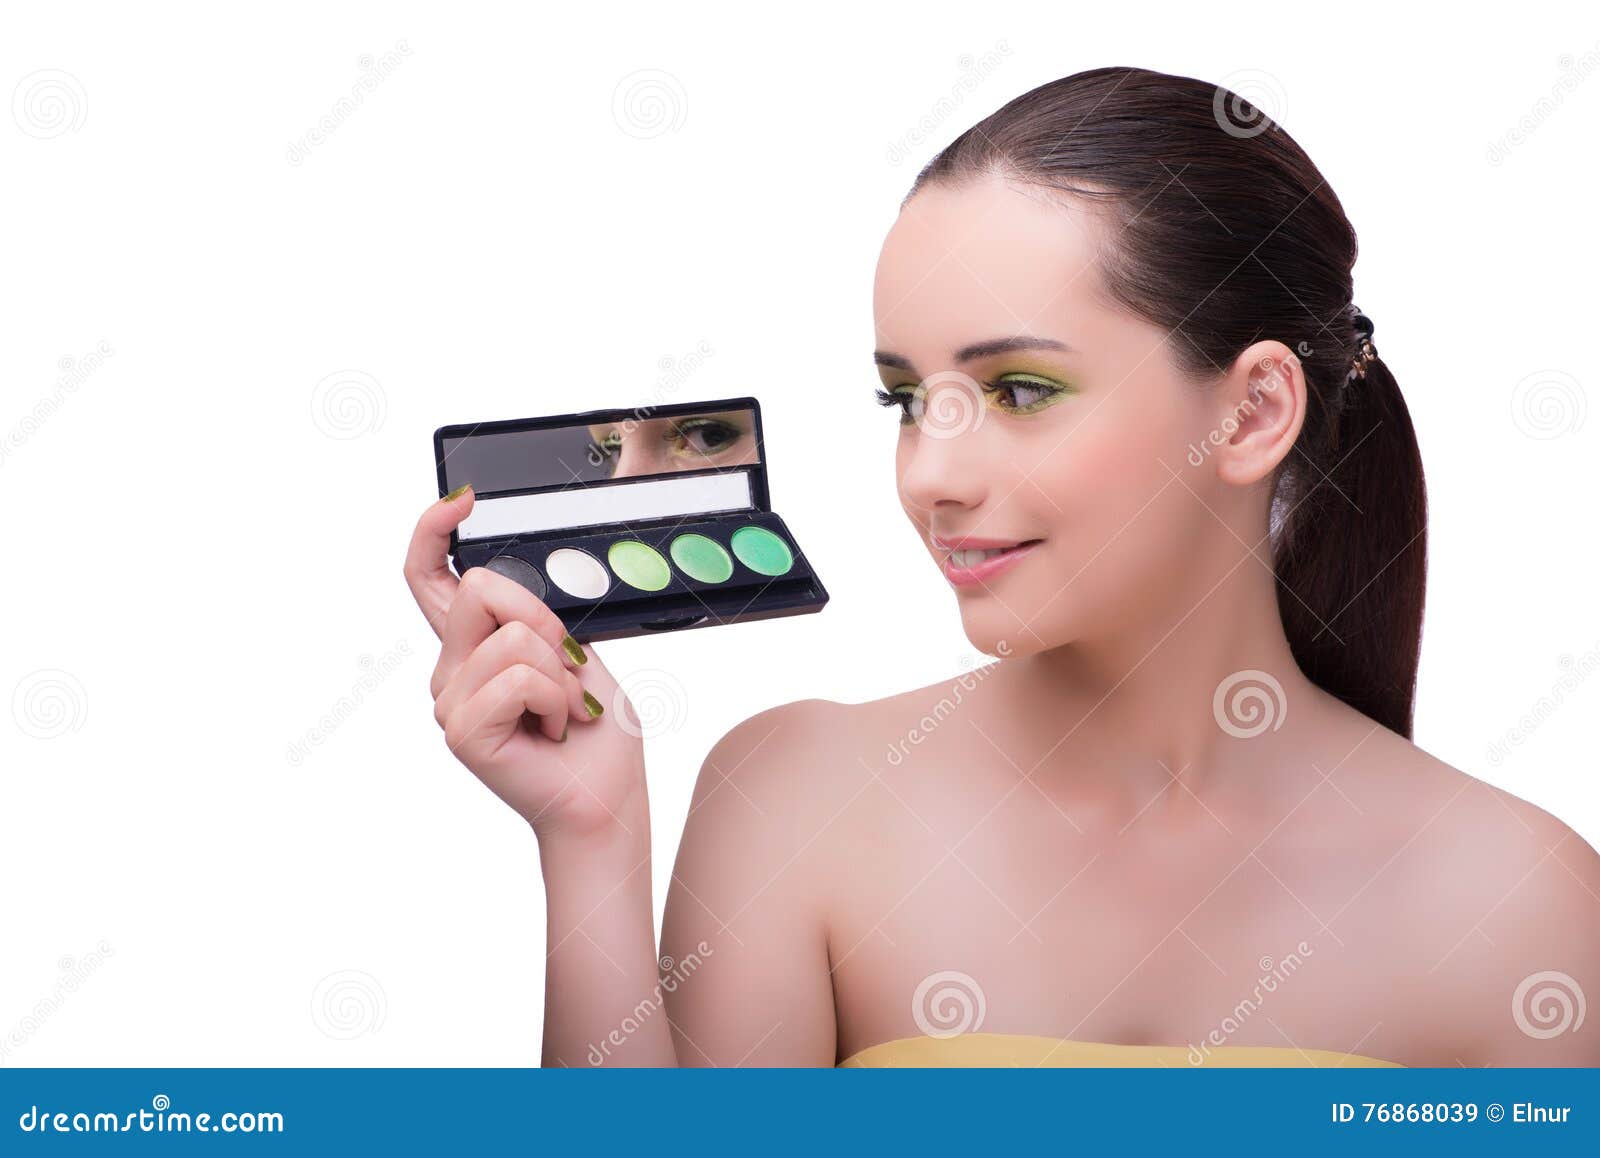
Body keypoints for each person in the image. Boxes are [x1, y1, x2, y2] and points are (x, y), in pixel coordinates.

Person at [404, 66, 1600, 1067]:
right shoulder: (793, 797)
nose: (928, 472)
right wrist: (591, 840)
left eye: (1023, 390)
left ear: (1249, 414)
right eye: (907, 398)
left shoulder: (1521, 902)